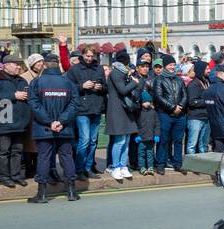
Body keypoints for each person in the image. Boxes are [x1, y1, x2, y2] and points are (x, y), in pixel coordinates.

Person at [27, 54, 80, 202]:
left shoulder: (36, 82)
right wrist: (61, 121)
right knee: (67, 157)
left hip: (44, 128)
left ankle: (42, 194)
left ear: (44, 65)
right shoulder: (68, 82)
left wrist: (50, 122)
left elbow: (34, 105)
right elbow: (74, 104)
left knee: (43, 158)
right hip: (65, 127)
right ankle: (71, 191)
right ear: (58, 65)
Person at [64, 43, 107, 179]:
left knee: (93, 141)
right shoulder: (75, 69)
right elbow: (69, 89)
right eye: (87, 55)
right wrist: (82, 86)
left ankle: (88, 168)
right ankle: (79, 169)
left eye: (91, 56)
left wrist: (101, 87)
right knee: (84, 140)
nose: (89, 58)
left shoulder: (99, 68)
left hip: (96, 107)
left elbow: (106, 88)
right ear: (82, 55)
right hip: (81, 109)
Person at [0, 56, 31, 187]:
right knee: (3, 151)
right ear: (6, 65)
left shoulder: (21, 80)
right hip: (4, 121)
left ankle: (16, 175)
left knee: (17, 150)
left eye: (19, 65)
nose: (19, 67)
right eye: (16, 64)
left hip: (19, 122)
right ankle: (3, 177)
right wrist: (14, 95)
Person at [105, 48, 139, 180]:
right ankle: (115, 167)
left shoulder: (123, 72)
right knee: (120, 141)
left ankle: (123, 166)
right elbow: (123, 90)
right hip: (117, 110)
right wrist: (133, 82)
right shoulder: (116, 73)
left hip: (125, 110)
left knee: (126, 140)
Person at [153, 53, 188, 174]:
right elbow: (158, 96)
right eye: (170, 65)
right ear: (165, 66)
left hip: (180, 115)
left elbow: (185, 94)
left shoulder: (179, 79)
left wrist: (181, 106)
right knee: (163, 140)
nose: (173, 67)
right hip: (165, 114)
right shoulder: (159, 79)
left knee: (178, 140)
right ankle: (160, 164)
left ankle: (178, 163)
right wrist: (173, 107)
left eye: (174, 64)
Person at [132, 57, 159, 175]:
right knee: (137, 145)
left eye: (147, 66)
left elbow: (154, 94)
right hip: (137, 111)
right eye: (143, 66)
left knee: (148, 148)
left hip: (149, 111)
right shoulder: (134, 79)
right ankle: (136, 163)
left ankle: (150, 165)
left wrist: (152, 104)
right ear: (137, 68)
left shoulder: (151, 78)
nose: (145, 68)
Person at [185, 61, 211, 154]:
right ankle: (190, 164)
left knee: (203, 144)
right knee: (192, 144)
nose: (209, 70)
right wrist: (208, 102)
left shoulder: (207, 82)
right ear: (201, 70)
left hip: (206, 117)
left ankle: (202, 165)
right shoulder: (193, 84)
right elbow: (192, 102)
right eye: (207, 69)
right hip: (195, 117)